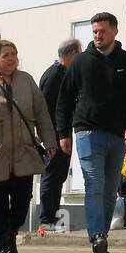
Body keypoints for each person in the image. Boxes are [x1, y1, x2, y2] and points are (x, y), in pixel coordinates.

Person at [56, 12, 126, 253]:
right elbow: (64, 99)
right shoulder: (80, 62)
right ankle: (97, 235)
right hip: (87, 132)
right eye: (94, 32)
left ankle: (101, 237)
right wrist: (63, 133)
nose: (97, 36)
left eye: (102, 31)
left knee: (109, 192)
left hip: (118, 135)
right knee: (94, 185)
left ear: (115, 32)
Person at [0, 40, 58, 253]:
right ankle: (2, 248)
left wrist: (49, 141)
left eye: (14, 54)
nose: (12, 58)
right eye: (6, 55)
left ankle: (11, 237)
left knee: (22, 202)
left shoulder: (26, 80)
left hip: (23, 153)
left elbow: (41, 112)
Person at [37, 38, 82, 231]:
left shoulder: (62, 73)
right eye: (78, 53)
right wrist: (45, 134)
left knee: (59, 175)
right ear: (72, 53)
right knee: (52, 175)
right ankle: (47, 219)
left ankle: (53, 218)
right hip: (53, 133)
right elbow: (45, 107)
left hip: (61, 131)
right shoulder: (55, 75)